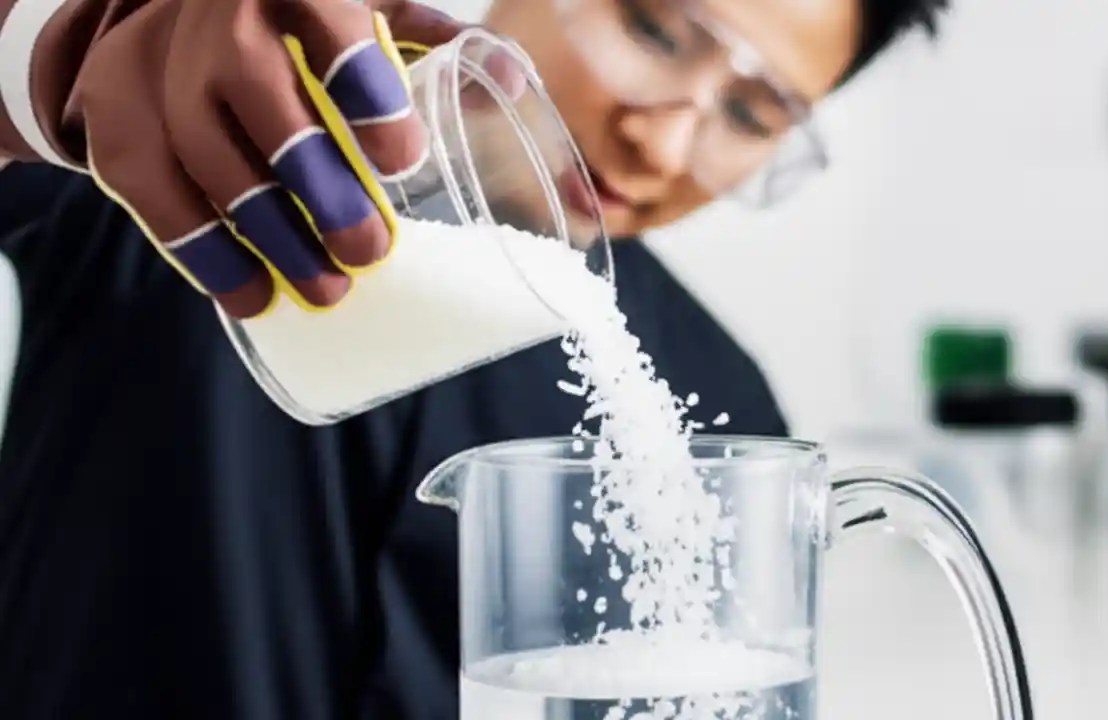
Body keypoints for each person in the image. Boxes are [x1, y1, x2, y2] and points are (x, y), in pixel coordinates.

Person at [0, 0, 945, 717]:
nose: (662, 137)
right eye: (654, 30)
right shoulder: (200, 156)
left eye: (749, 115)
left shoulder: (719, 414)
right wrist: (44, 36)